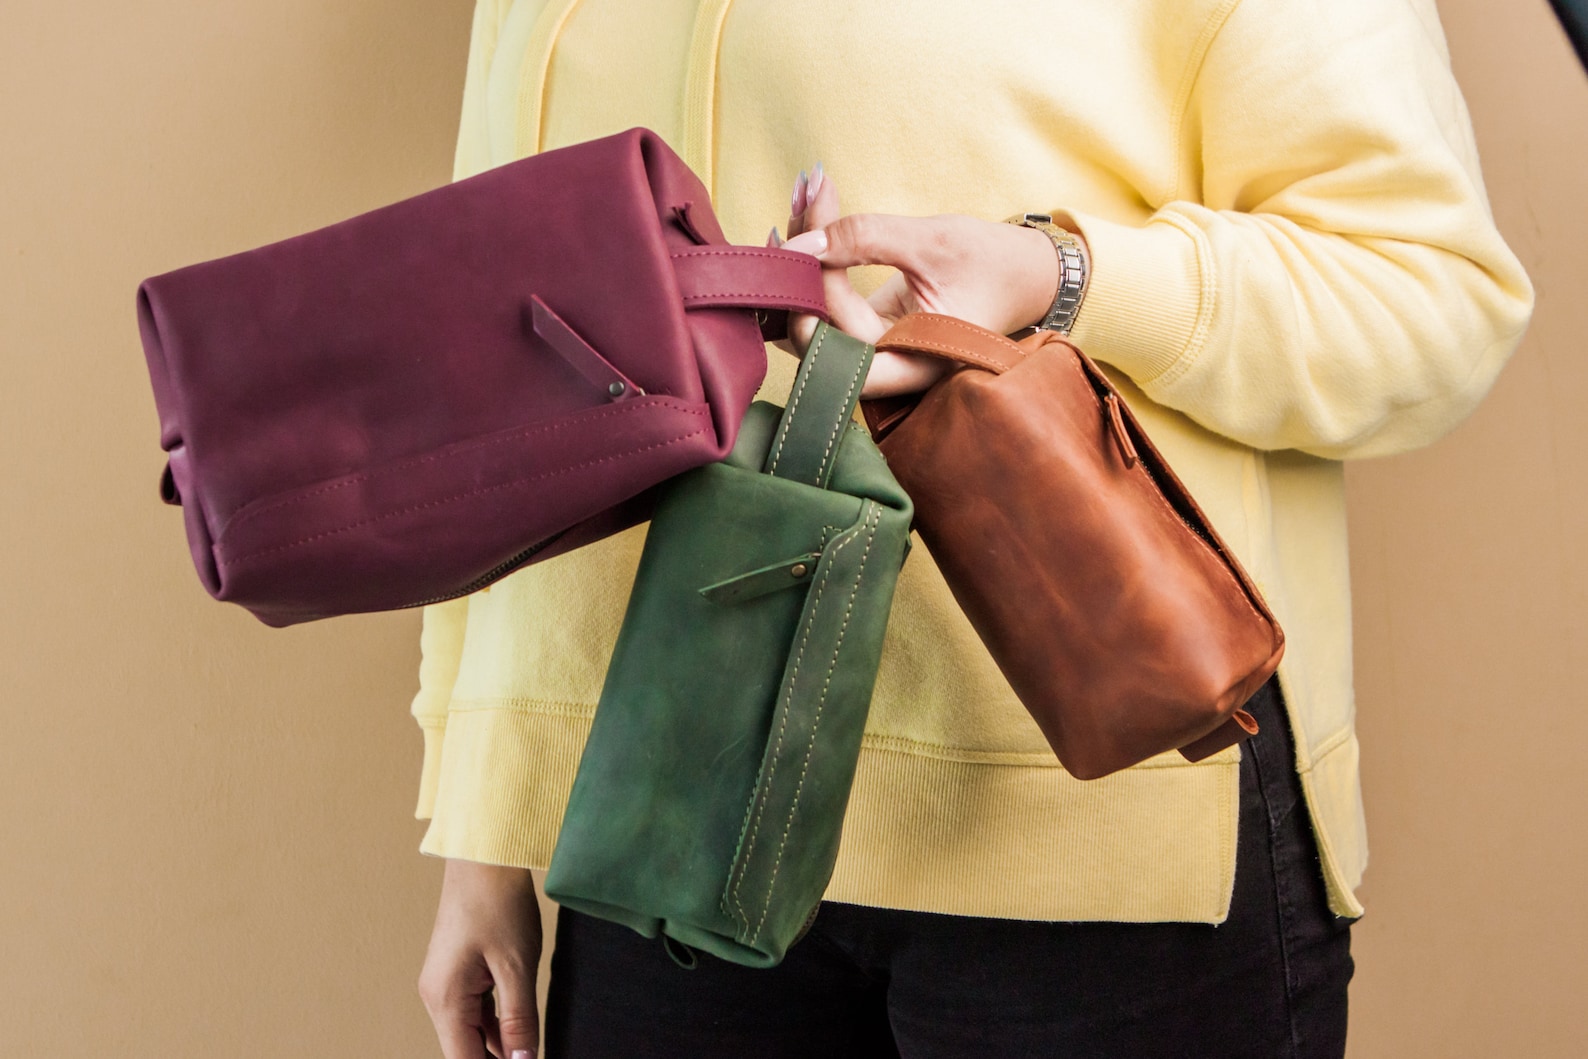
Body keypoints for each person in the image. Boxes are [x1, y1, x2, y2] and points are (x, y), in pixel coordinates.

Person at [411, 1, 1533, 1056]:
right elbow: (496, 366)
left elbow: (1426, 291)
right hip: (660, 816)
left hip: (1099, 828)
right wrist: (481, 823)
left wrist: (1057, 278)